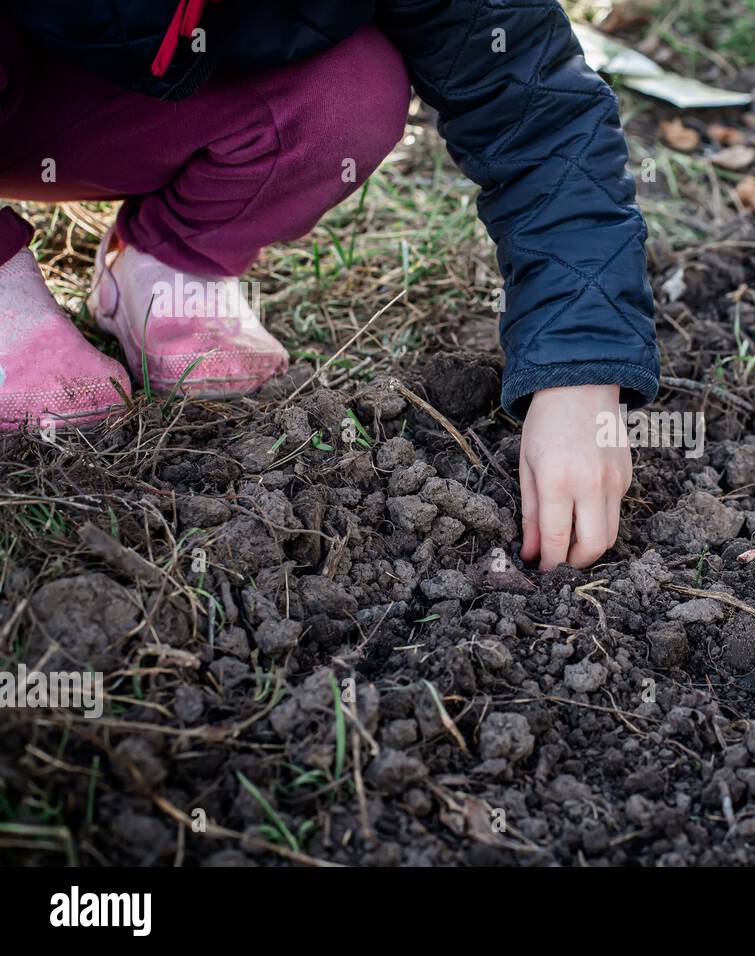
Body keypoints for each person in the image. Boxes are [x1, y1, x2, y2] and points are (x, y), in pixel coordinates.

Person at [0, 0, 660, 571]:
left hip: (98, 97)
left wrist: (577, 373)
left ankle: (168, 260)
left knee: (351, 88)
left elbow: (537, 110)